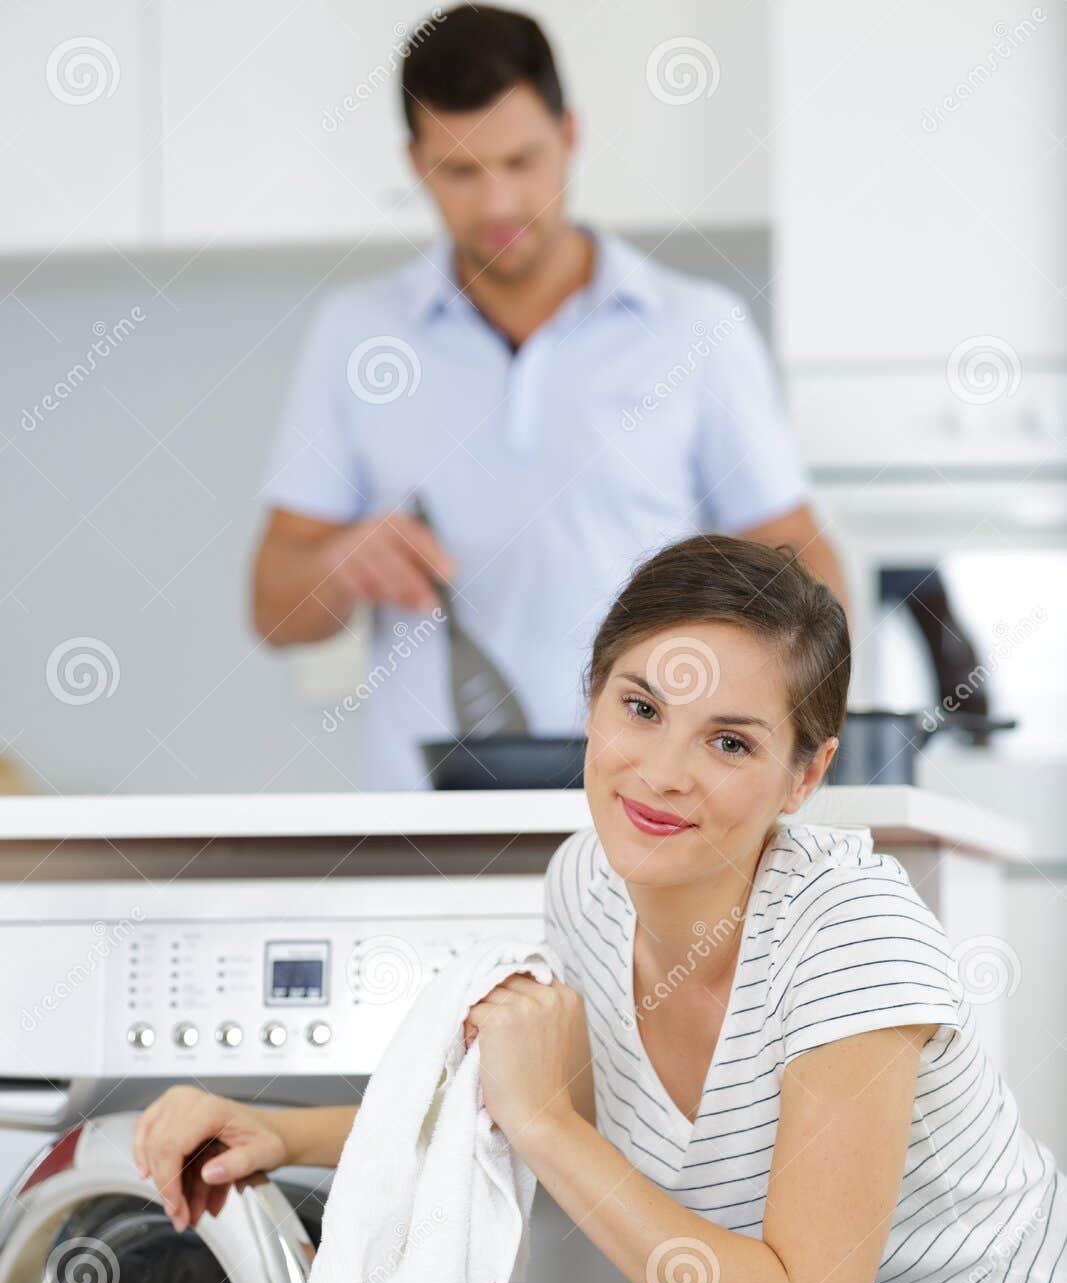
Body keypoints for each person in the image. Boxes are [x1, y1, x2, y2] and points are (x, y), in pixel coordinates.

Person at [138, 531, 1067, 1283]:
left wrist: (546, 1127)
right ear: (589, 702)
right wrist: (281, 1132)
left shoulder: (843, 931)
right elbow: (556, 1100)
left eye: (728, 742)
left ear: (804, 774)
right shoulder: (590, 883)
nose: (662, 773)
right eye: (638, 708)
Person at [250, 2, 848, 791]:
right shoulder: (356, 335)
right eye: (460, 171)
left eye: (520, 162)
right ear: (416, 164)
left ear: (568, 137)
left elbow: (801, 567)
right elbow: (275, 608)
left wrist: (777, 753)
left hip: (650, 809)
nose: (496, 203)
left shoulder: (698, 329)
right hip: (422, 822)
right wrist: (337, 563)